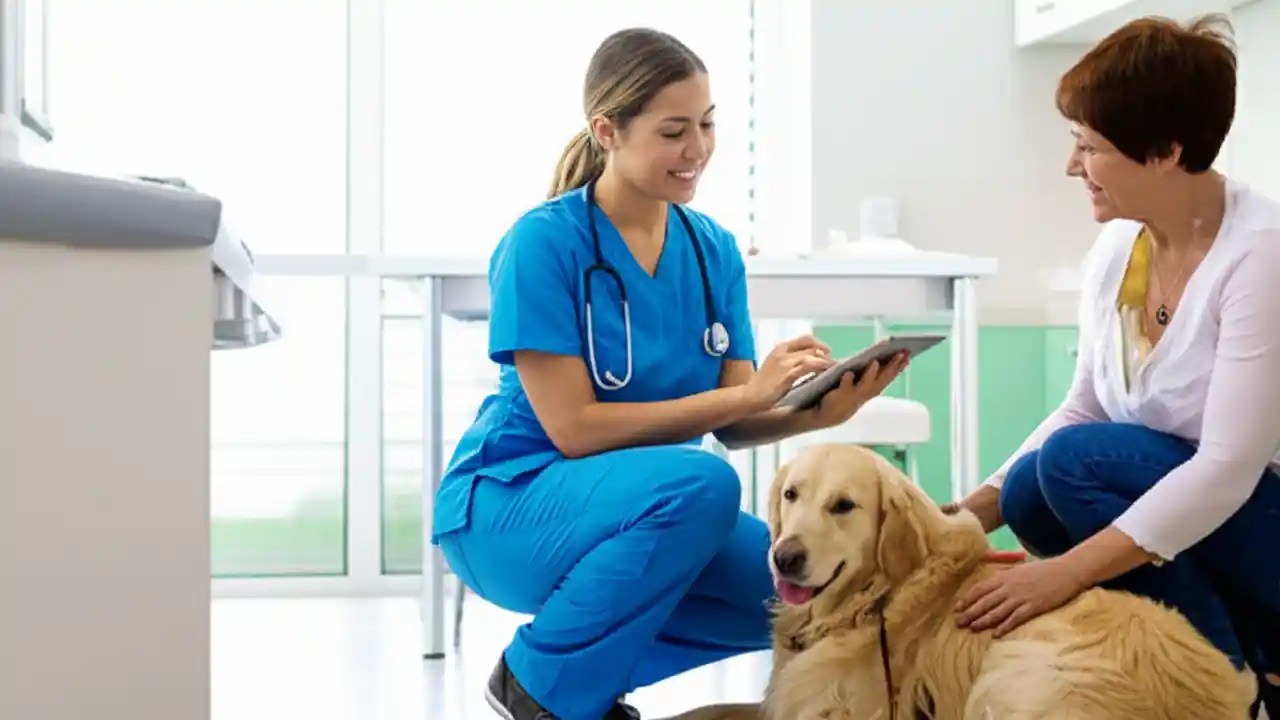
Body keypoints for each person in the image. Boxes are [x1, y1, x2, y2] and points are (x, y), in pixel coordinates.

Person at [429, 27, 907, 720]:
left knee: (808, 597)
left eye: (708, 124)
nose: (699, 150)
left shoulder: (711, 250)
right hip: (512, 507)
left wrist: (815, 412)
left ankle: (577, 683)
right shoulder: (545, 242)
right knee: (705, 480)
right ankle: (540, 685)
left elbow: (736, 421)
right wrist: (745, 394)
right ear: (608, 132)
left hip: (652, 509)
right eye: (674, 131)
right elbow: (573, 430)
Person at [945, 14, 1280, 716]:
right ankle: (1221, 655)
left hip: (1263, 523)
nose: (1073, 167)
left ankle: (1227, 686)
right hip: (1207, 520)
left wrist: (1059, 577)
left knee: (1073, 464)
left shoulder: (1261, 255)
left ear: (1165, 151)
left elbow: (1225, 469)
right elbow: (1086, 405)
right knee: (1029, 491)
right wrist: (968, 517)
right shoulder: (1120, 249)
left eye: (1088, 147)